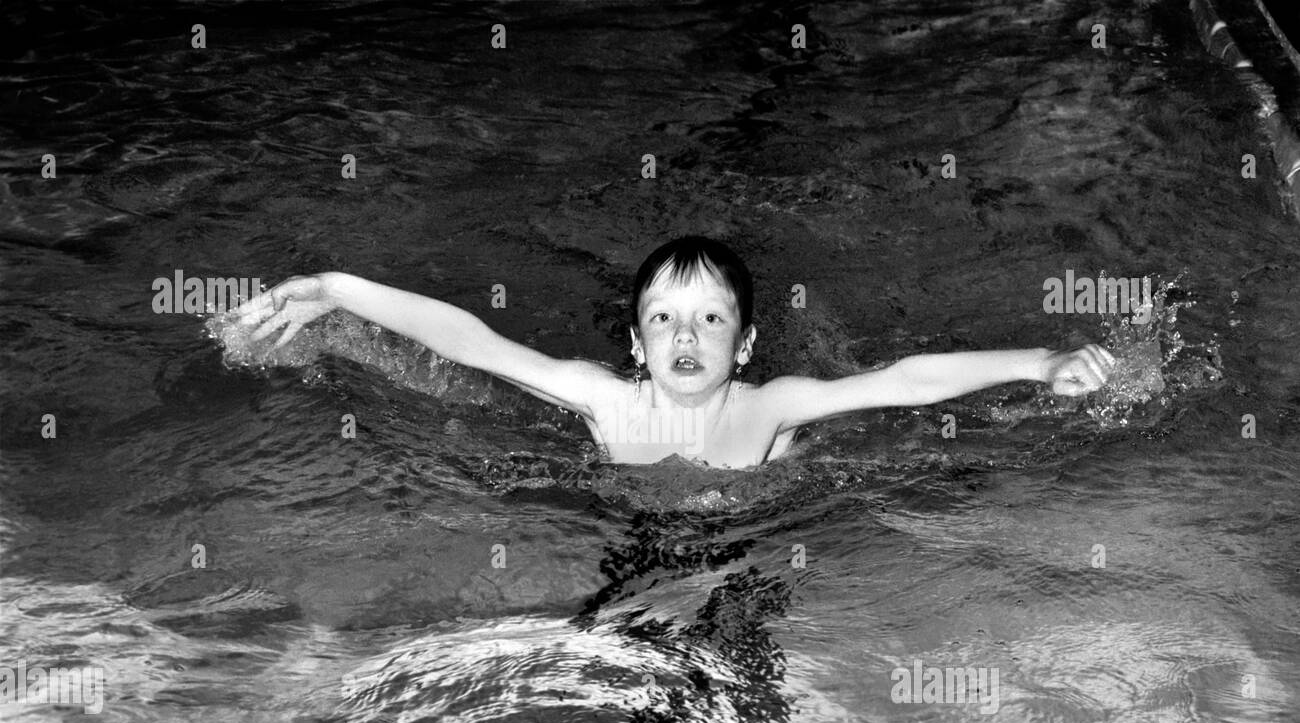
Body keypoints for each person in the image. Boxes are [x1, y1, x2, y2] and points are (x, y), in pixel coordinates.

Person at [234, 235, 1115, 468]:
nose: (685, 338)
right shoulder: (605, 398)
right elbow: (474, 343)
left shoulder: (769, 406)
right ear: (635, 343)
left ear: (747, 346)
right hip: (636, 536)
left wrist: (1041, 363)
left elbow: (902, 382)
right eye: (663, 321)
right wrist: (335, 289)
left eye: (709, 322)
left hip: (759, 535)